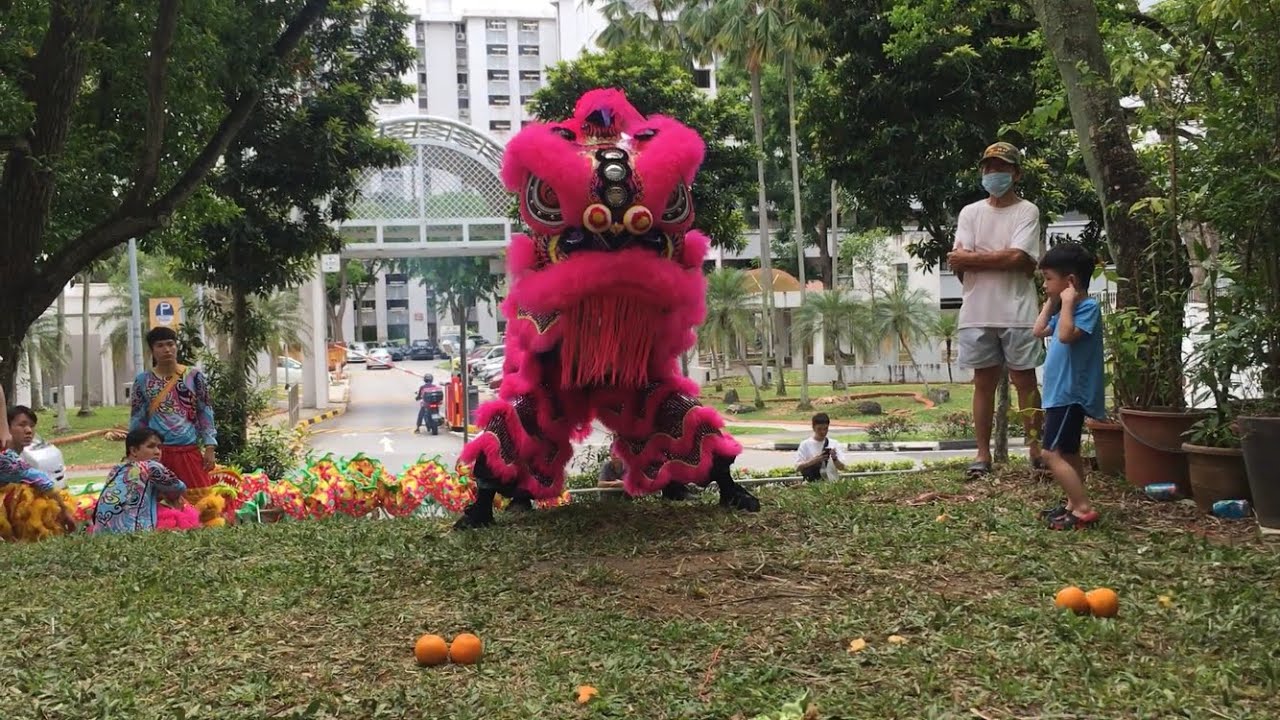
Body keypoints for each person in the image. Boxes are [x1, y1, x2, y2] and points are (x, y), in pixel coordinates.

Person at [947, 142, 1046, 479]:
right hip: (976, 311)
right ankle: (982, 454)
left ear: (1016, 173)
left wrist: (975, 260)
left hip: (1018, 311)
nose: (993, 174)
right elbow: (958, 263)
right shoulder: (970, 212)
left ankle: (1036, 450)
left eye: (1001, 168)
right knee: (982, 383)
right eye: (988, 168)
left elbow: (1019, 258)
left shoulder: (1027, 211)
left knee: (1026, 382)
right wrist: (999, 259)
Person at [1033, 243, 1105, 530]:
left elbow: (1064, 336)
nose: (1045, 285)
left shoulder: (1087, 307)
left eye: (1049, 278)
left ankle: (1084, 508)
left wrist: (1068, 303)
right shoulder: (1065, 308)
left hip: (1070, 394)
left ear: (1070, 282)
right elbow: (1039, 330)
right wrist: (1052, 303)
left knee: (1051, 453)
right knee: (1070, 452)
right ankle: (1073, 504)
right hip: (1059, 394)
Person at [129, 327, 218, 489]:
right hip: (157, 454)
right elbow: (137, 419)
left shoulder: (194, 376)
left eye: (170, 344)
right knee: (159, 504)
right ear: (152, 350)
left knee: (200, 501)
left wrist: (210, 446)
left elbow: (205, 411)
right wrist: (133, 452)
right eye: (160, 345)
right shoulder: (142, 381)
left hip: (189, 452)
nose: (167, 349)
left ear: (176, 346)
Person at [92, 427, 190, 534]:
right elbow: (179, 487)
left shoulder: (117, 469)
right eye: (151, 446)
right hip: (133, 534)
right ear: (133, 450)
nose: (157, 452)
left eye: (159, 447)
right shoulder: (151, 466)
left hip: (100, 533)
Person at [2, 406, 77, 536]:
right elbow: (41, 480)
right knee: (37, 498)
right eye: (22, 425)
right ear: (6, 428)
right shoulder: (6, 457)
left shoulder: (17, 455)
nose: (28, 430)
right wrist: (64, 512)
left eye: (32, 426)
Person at [795, 413, 848, 482]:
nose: (823, 432)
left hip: (832, 484)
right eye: (819, 429)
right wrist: (813, 461)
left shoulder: (834, 443)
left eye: (825, 429)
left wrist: (835, 458)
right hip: (813, 485)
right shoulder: (805, 444)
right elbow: (797, 467)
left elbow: (842, 467)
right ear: (813, 428)